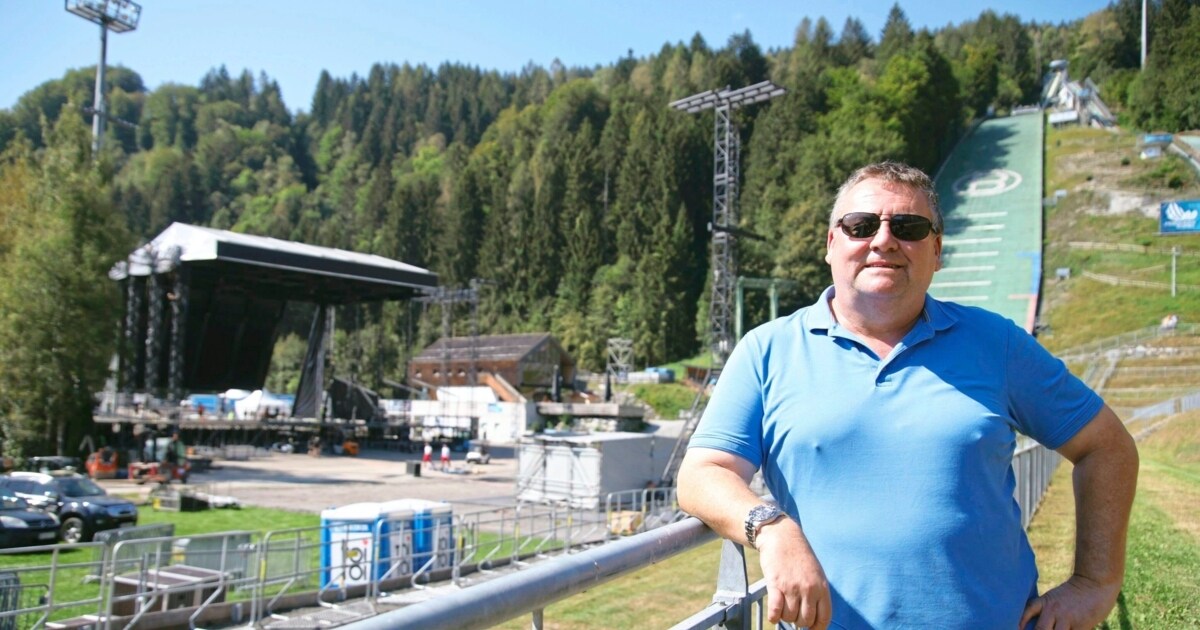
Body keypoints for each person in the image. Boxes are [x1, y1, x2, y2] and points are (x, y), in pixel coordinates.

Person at [677, 162, 1139, 630]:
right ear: (831, 244)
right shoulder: (767, 350)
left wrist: (1095, 582)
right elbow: (701, 475)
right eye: (860, 226)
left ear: (937, 250)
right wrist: (771, 529)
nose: (883, 241)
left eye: (909, 227)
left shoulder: (996, 343)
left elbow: (1106, 446)